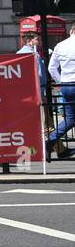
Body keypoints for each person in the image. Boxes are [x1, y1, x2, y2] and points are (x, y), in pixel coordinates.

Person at [47, 20, 75, 158]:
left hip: (67, 85)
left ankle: (50, 141)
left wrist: (61, 82)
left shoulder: (60, 45)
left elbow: (51, 67)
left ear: (72, 30)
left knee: (70, 119)